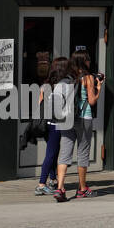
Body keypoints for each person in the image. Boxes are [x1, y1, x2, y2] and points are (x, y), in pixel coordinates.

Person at [55, 51, 102, 201]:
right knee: (83, 153)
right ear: (84, 62)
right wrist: (98, 88)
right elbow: (92, 101)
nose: (89, 62)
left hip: (66, 119)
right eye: (88, 59)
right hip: (83, 118)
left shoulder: (66, 78)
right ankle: (82, 189)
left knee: (64, 153)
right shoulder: (87, 78)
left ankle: (60, 188)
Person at [33, 57, 69, 196]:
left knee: (53, 152)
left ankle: (53, 180)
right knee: (51, 154)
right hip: (56, 123)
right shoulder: (63, 85)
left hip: (46, 122)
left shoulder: (46, 84)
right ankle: (41, 184)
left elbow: (40, 104)